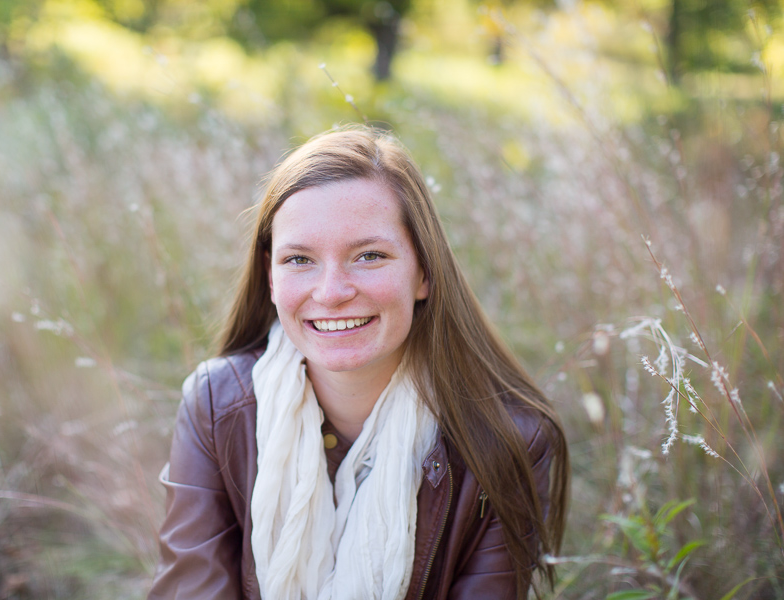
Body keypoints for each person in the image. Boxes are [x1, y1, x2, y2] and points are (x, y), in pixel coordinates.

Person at [147, 125, 569, 600]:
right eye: (300, 259)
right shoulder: (215, 405)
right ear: (270, 275)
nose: (331, 293)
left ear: (425, 273)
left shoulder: (509, 439)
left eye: (369, 255)